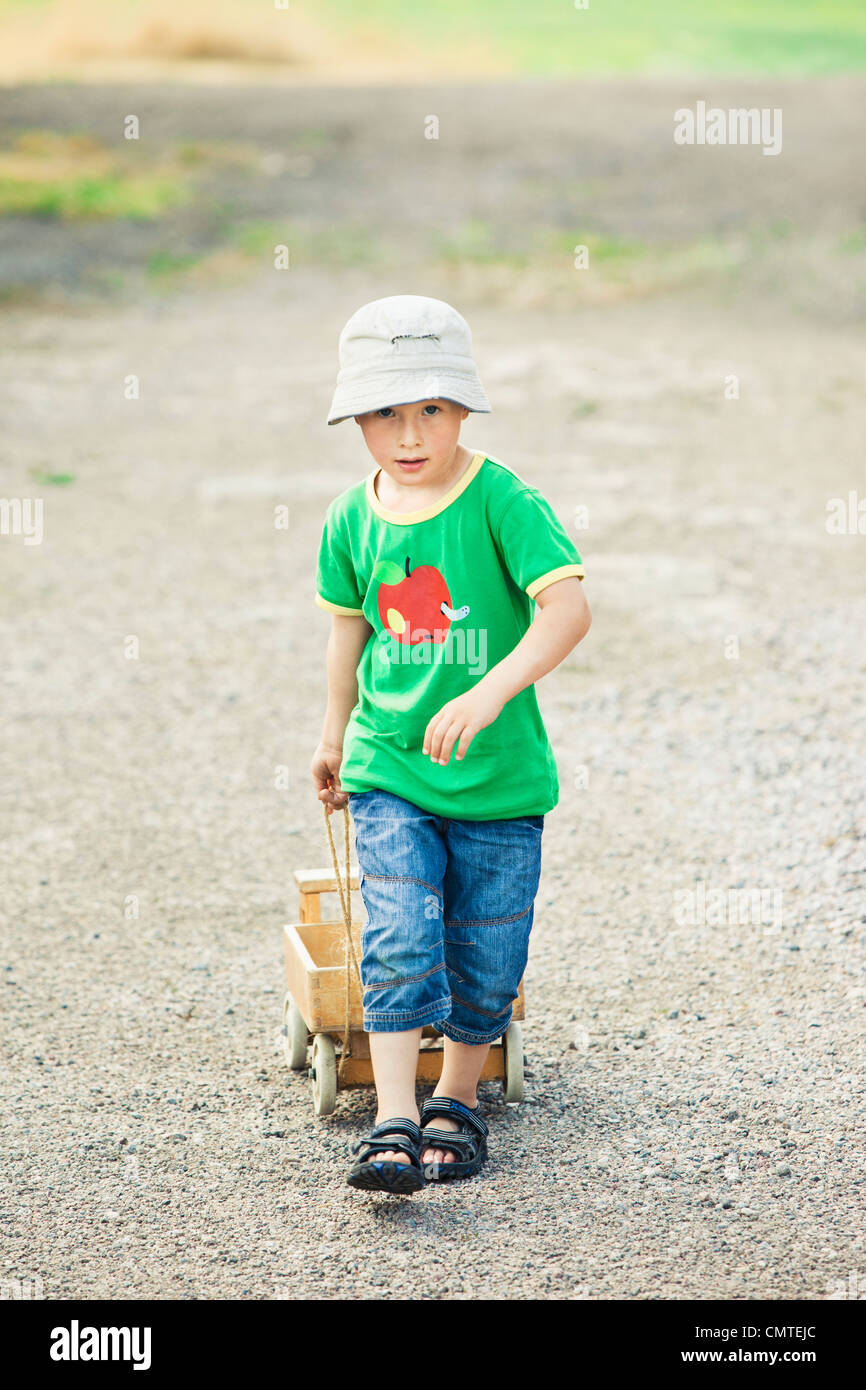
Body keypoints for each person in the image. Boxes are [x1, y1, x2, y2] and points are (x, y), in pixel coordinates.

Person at [310, 294, 591, 1193]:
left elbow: (568, 608)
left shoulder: (504, 500)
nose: (409, 432)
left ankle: (458, 1099)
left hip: (499, 781)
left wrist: (492, 688)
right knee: (398, 932)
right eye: (386, 411)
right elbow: (350, 631)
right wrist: (331, 733)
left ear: (464, 407)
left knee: (485, 947)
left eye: (430, 407)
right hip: (389, 764)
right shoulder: (351, 518)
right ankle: (393, 1115)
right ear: (357, 417)